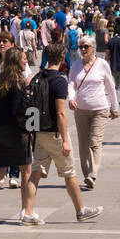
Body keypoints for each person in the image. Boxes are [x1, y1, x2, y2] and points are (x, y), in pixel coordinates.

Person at [24, 42, 103, 225]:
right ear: (62, 58)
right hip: (54, 134)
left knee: (35, 173)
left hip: (38, 132)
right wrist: (65, 139)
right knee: (69, 173)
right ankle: (81, 211)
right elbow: (60, 112)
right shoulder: (59, 80)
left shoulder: (38, 76)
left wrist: (31, 132)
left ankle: (28, 213)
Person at [0, 46, 35, 216]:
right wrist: (31, 132)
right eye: (24, 58)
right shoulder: (19, 83)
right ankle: (26, 211)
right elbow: (20, 111)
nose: (26, 61)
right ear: (17, 61)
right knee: (26, 172)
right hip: (16, 133)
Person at [69, 37, 118, 189]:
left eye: (86, 47)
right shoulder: (76, 65)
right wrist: (71, 98)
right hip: (81, 109)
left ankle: (93, 174)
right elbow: (71, 83)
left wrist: (114, 106)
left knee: (94, 142)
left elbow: (110, 86)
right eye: (80, 47)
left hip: (100, 109)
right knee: (83, 144)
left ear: (93, 48)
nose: (83, 50)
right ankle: (87, 175)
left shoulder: (102, 64)